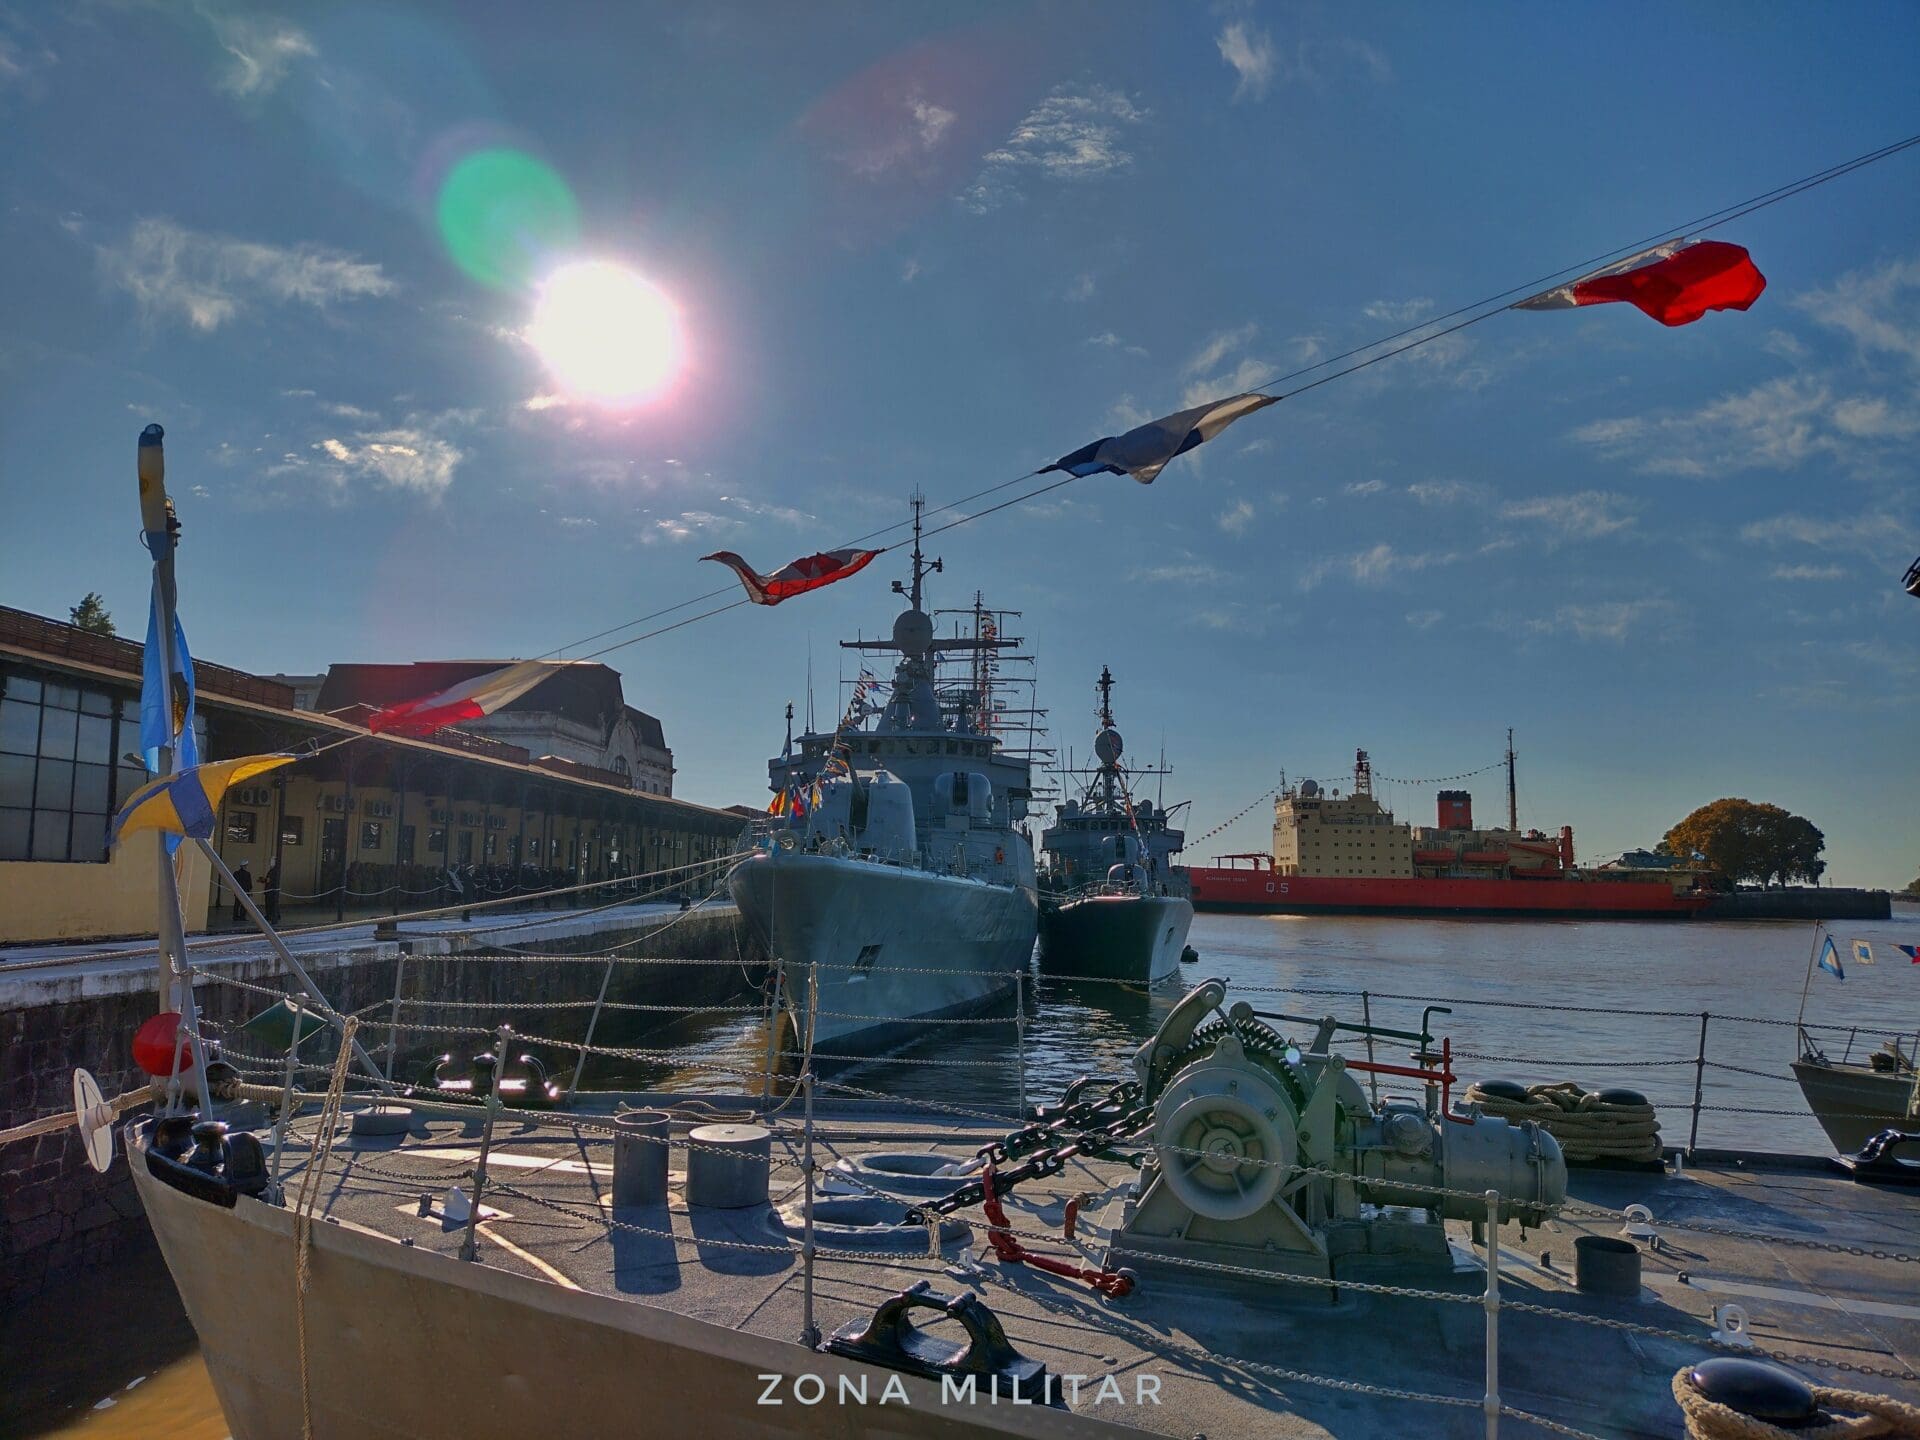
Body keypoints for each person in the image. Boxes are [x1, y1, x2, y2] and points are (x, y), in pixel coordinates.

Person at [230, 858, 253, 924]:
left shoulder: (236, 873)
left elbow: (233, 882)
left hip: (238, 891)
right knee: (244, 905)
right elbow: (249, 884)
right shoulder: (247, 874)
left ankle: (235, 916)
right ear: (244, 866)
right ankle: (242, 917)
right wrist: (250, 891)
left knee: (237, 904)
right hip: (245, 891)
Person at [264, 857, 281, 924]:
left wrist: (264, 880)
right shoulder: (274, 871)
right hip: (270, 890)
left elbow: (269, 880)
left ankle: (271, 915)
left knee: (270, 904)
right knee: (272, 903)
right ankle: (273, 915)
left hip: (271, 890)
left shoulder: (273, 871)